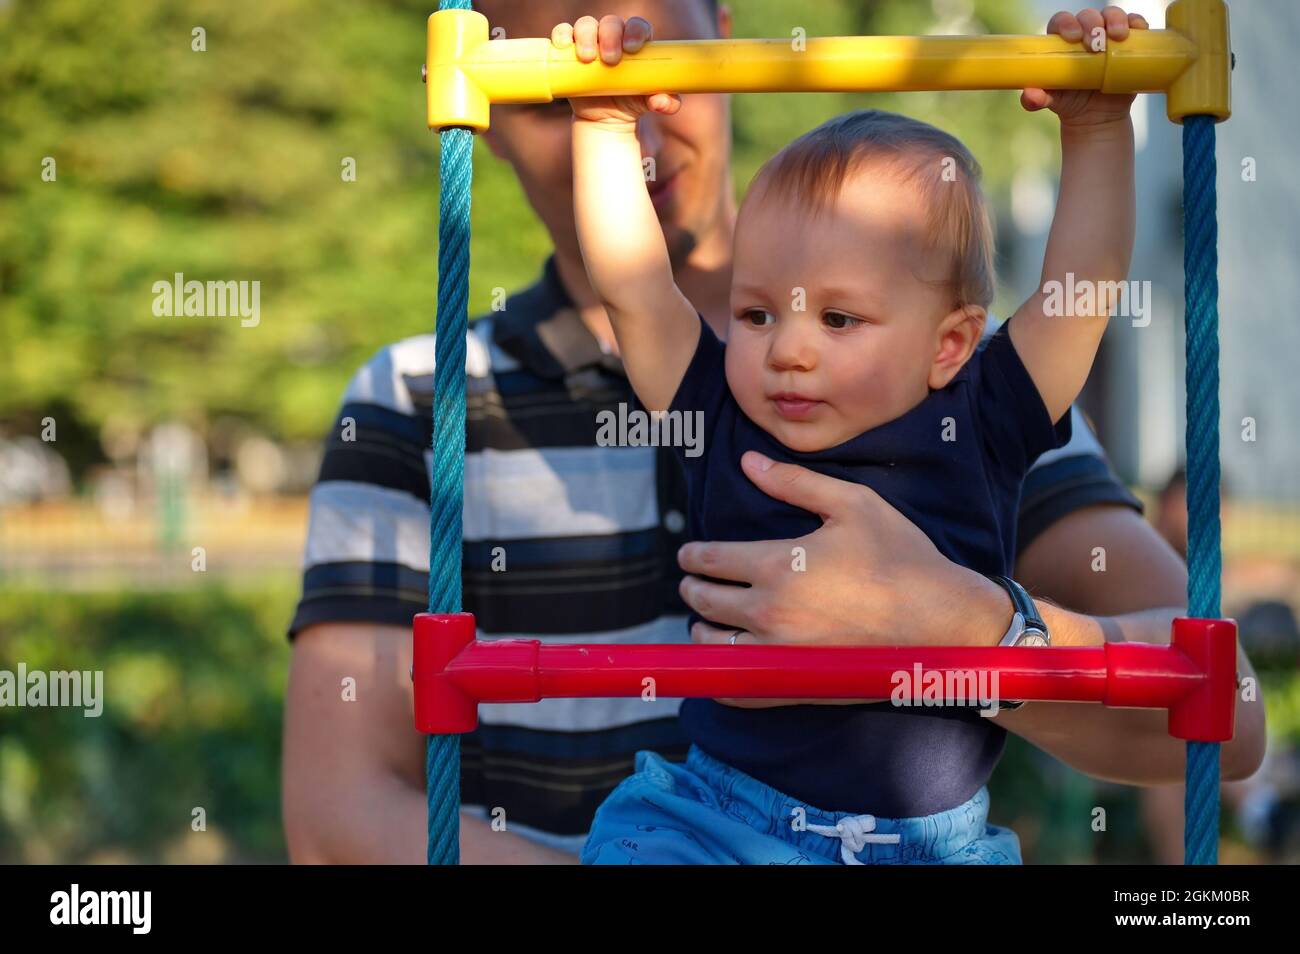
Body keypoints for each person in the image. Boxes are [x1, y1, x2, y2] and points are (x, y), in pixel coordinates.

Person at [281, 0, 1265, 864]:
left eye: (836, 320)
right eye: (756, 315)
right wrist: (602, 122)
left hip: (925, 840)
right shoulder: (714, 407)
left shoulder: (982, 414)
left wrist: (1097, 134)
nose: (788, 350)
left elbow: (1075, 300)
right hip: (717, 819)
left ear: (949, 342)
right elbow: (636, 287)